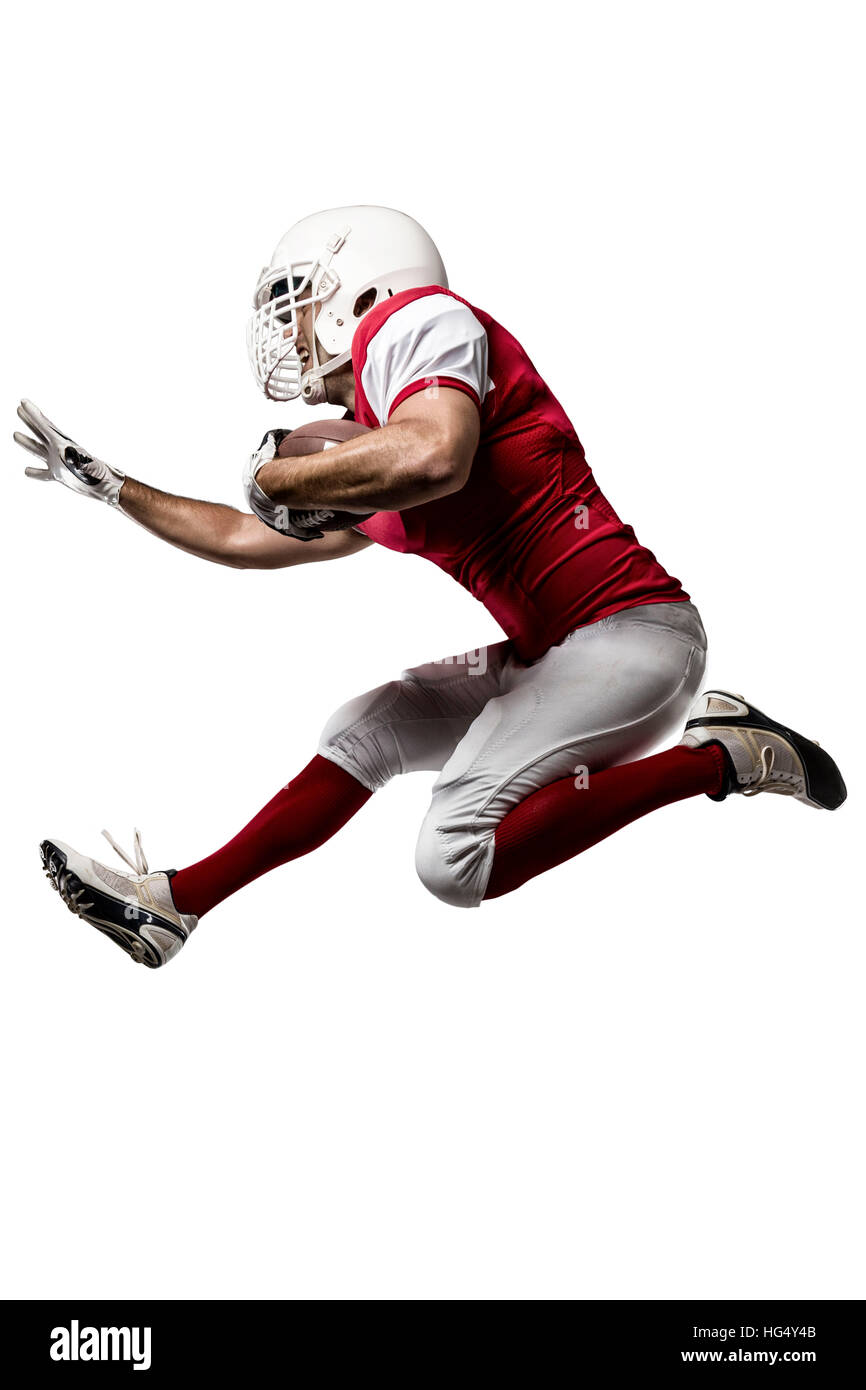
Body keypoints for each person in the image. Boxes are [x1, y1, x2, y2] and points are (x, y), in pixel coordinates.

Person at [15, 205, 846, 969]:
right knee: (363, 730)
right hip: (550, 653)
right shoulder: (381, 439)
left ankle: (724, 756)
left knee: (452, 859)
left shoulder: (414, 323)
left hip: (634, 633)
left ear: (359, 285)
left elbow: (436, 455)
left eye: (298, 297)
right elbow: (246, 535)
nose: (291, 325)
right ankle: (174, 906)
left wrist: (282, 476)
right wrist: (117, 488)